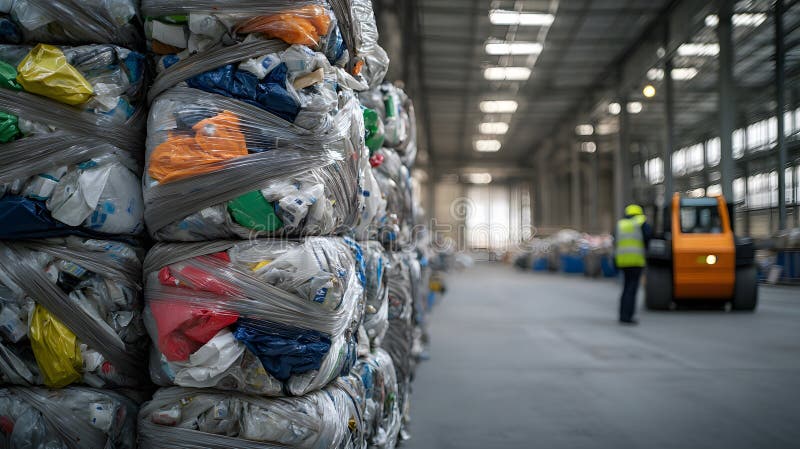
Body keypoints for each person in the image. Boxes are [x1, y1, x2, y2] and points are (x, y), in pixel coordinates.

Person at [614, 204, 652, 325]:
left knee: (625, 288)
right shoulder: (641, 222)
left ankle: (622, 315)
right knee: (632, 289)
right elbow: (648, 237)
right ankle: (628, 316)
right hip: (636, 260)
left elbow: (615, 241)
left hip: (623, 260)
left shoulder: (621, 224)